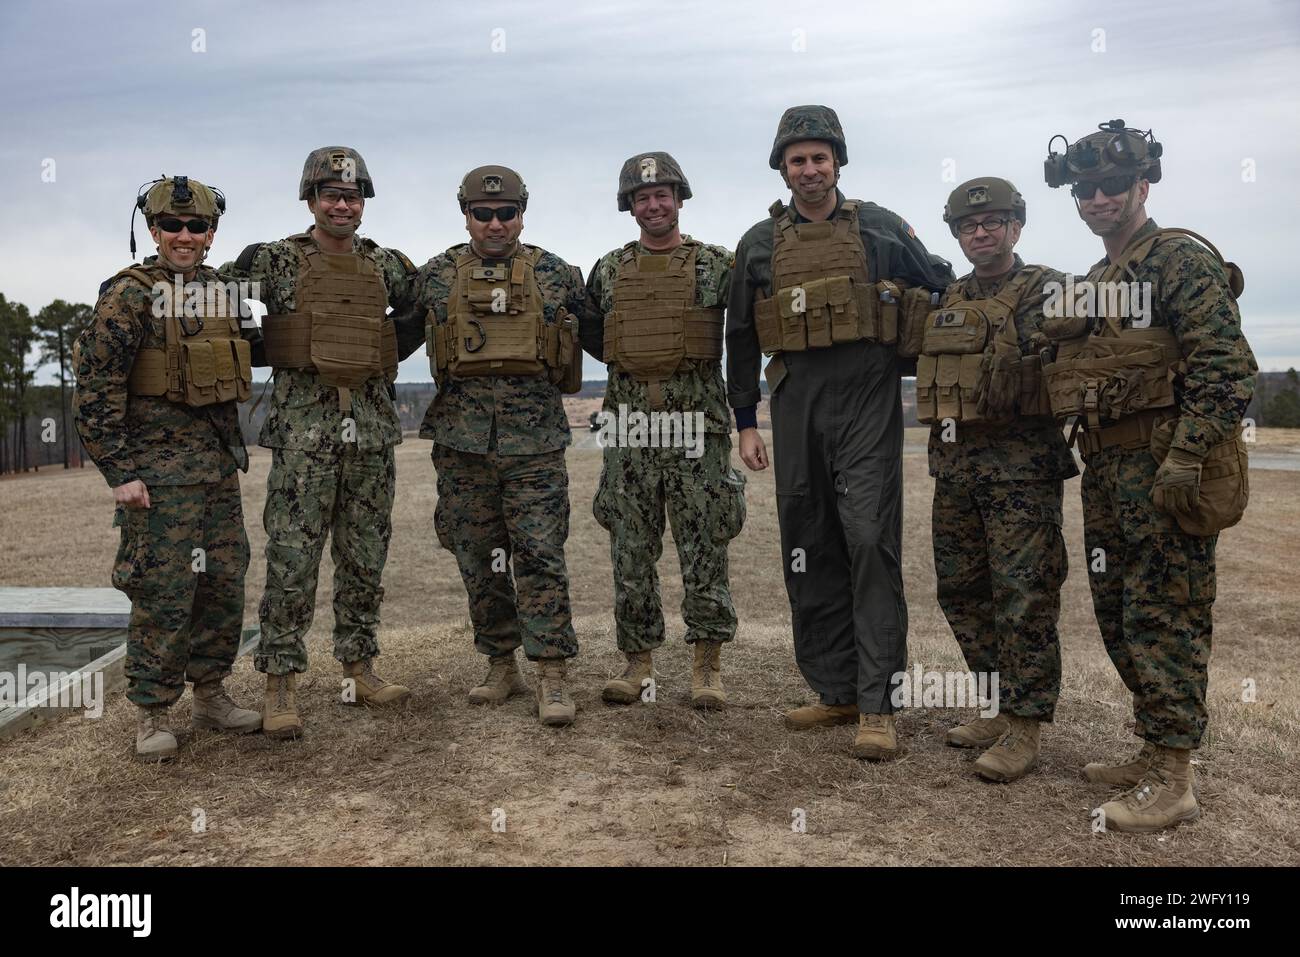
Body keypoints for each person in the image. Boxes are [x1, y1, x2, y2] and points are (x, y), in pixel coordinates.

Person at [1042, 120, 1257, 830]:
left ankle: (1174, 776)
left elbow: (1227, 369)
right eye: (1084, 188)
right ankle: (1153, 746)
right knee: (1122, 617)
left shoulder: (1178, 260)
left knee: (1167, 618)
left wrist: (1188, 456)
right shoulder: (1103, 278)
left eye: (1111, 184)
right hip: (1110, 470)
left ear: (1142, 184)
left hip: (1166, 470)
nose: (1097, 197)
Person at [726, 105, 953, 759]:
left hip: (865, 402)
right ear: (782, 167)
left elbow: (939, 283)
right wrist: (746, 421)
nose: (809, 169)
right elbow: (739, 337)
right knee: (810, 544)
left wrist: (907, 314)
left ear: (837, 162)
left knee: (868, 539)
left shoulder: (879, 227)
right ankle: (836, 690)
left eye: (819, 157)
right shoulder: (759, 244)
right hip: (795, 407)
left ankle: (878, 704)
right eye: (797, 159)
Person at [228, 146, 421, 739]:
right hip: (304, 437)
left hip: (369, 432)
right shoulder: (273, 260)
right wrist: (275, 349)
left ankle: (359, 667)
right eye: (332, 194)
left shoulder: (387, 265)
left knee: (364, 557)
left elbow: (415, 317)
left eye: (353, 195)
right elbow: (221, 308)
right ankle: (280, 681)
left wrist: (379, 356)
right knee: (293, 560)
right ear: (311, 199)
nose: (343, 203)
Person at [75, 175, 260, 760]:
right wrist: (119, 471)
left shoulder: (222, 291)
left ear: (212, 233)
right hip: (157, 478)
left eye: (197, 226)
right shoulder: (128, 295)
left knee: (223, 582)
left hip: (215, 471)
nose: (185, 236)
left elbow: (254, 350)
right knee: (163, 591)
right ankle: (153, 711)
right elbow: (96, 386)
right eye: (172, 226)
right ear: (153, 230)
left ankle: (210, 692)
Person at [919, 177, 1076, 781]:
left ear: (1017, 226)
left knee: (1024, 595)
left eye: (994, 222)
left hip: (1023, 474)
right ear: (956, 233)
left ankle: (1026, 726)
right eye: (968, 225)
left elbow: (1089, 354)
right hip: (956, 469)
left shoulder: (1052, 291)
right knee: (961, 589)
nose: (981, 232)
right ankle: (996, 704)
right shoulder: (948, 297)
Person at [417, 165, 585, 727]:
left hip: (533, 446)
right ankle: (499, 664)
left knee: (540, 555)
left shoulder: (558, 274)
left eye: (506, 212)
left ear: (522, 213)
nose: (494, 223)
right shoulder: (434, 277)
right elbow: (380, 331)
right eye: (482, 213)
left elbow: (606, 337)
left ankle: (553, 674)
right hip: (462, 446)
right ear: (464, 214)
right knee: (478, 559)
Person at [581, 151, 745, 710]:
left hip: (697, 430)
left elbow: (744, 339)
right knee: (630, 551)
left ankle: (707, 666)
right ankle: (638, 664)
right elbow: (592, 338)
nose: (654, 204)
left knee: (704, 548)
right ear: (630, 206)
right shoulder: (607, 270)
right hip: (630, 432)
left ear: (679, 199)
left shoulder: (717, 267)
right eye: (642, 197)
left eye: (663, 195)